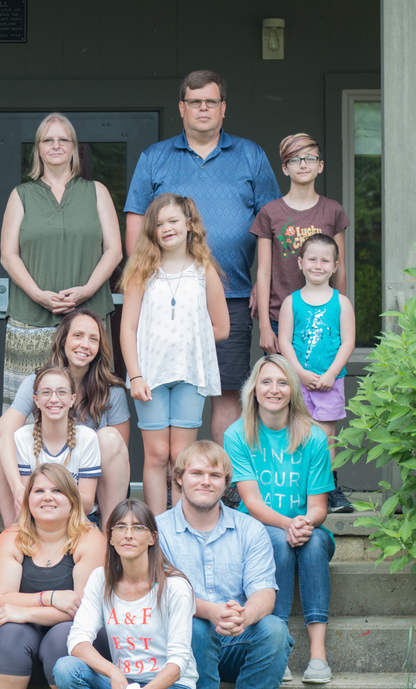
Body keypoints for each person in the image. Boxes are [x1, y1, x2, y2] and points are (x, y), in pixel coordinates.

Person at [123, 70, 280, 443]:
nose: (203, 109)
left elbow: (272, 226)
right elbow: (134, 223)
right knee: (164, 386)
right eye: (195, 102)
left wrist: (265, 283)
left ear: (223, 108)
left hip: (235, 294)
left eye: (211, 102)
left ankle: (221, 483)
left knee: (226, 390)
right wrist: (142, 281)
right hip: (164, 297)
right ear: (182, 108)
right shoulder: (155, 158)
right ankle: (173, 490)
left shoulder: (250, 155)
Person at [156, 441, 289, 689]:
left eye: (215, 475)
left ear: (226, 484)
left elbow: (264, 593)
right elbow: (163, 591)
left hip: (234, 637)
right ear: (178, 479)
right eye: (196, 473)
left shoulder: (250, 529)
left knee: (274, 630)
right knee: (197, 627)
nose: (205, 481)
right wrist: (211, 611)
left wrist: (245, 616)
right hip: (180, 646)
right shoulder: (158, 530)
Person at [53, 499, 197, 689]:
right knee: (67, 668)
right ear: (111, 538)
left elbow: (178, 664)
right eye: (120, 527)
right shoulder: (101, 579)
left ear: (153, 537)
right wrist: (114, 673)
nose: (128, 534)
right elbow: (77, 640)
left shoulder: (174, 587)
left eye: (138, 527)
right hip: (124, 683)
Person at [0, 113, 123, 406]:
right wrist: (38, 295)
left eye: (63, 139)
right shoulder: (22, 195)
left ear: (73, 147)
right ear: (38, 148)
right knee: (30, 409)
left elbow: (114, 251)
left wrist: (87, 290)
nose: (56, 145)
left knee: (88, 404)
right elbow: (8, 255)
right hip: (31, 318)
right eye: (48, 140)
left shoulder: (97, 192)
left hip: (88, 317)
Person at [226, 355, 336, 684]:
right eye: (266, 382)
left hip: (306, 530)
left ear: (292, 390)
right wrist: (288, 525)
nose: (274, 389)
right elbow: (252, 503)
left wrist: (304, 523)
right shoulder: (238, 434)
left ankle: (318, 655)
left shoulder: (313, 436)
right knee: (275, 540)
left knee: (316, 542)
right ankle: (279, 647)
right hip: (260, 533)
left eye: (282, 382)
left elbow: (319, 506)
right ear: (254, 391)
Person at [0, 465, 105, 689]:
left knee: (63, 636)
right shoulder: (13, 537)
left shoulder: (89, 538)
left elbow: (82, 608)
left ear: (73, 500)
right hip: (25, 634)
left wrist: (23, 610)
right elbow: (0, 600)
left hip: (75, 632)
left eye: (57, 491)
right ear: (27, 499)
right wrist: (49, 598)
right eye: (39, 490)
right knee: (6, 632)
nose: (47, 497)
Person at [119, 194, 228, 515]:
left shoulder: (204, 271)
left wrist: (187, 338)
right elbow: (128, 329)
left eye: (173, 221)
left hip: (190, 375)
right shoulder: (141, 271)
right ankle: (156, 525)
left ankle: (181, 526)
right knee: (155, 455)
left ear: (189, 224)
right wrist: (135, 375)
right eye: (159, 223)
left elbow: (221, 327)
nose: (167, 228)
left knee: (180, 454)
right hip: (149, 376)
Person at [0, 309, 131, 526]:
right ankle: (14, 529)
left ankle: (109, 533)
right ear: (63, 340)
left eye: (93, 338)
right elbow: (3, 431)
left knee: (110, 438)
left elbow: (119, 453)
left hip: (88, 486)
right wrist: (19, 488)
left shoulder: (111, 390)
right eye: (78, 335)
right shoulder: (37, 382)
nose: (85, 344)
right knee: (2, 443)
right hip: (42, 481)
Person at [277, 233, 356, 513]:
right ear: (300, 263)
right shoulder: (291, 302)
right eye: (312, 259)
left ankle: (331, 491)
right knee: (296, 433)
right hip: (298, 383)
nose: (318, 265)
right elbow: (284, 341)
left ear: (335, 266)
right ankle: (298, 490)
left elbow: (348, 342)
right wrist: (299, 373)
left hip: (329, 382)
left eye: (326, 260)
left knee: (326, 437)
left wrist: (331, 375)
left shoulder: (341, 302)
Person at [251, 134, 349, 353]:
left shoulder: (333, 211)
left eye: (310, 158)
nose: (303, 164)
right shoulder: (270, 213)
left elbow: (339, 268)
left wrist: (341, 315)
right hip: (279, 317)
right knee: (282, 385)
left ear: (320, 166)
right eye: (294, 160)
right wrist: (265, 326)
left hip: (323, 316)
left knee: (319, 383)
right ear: (285, 168)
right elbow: (264, 272)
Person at [0, 365, 101, 526]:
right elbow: (27, 503)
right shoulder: (23, 437)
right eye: (46, 392)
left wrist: (47, 496)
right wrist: (62, 494)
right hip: (36, 522)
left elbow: (87, 504)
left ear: (72, 399)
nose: (54, 399)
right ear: (35, 400)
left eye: (62, 392)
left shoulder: (87, 438)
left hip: (77, 521)